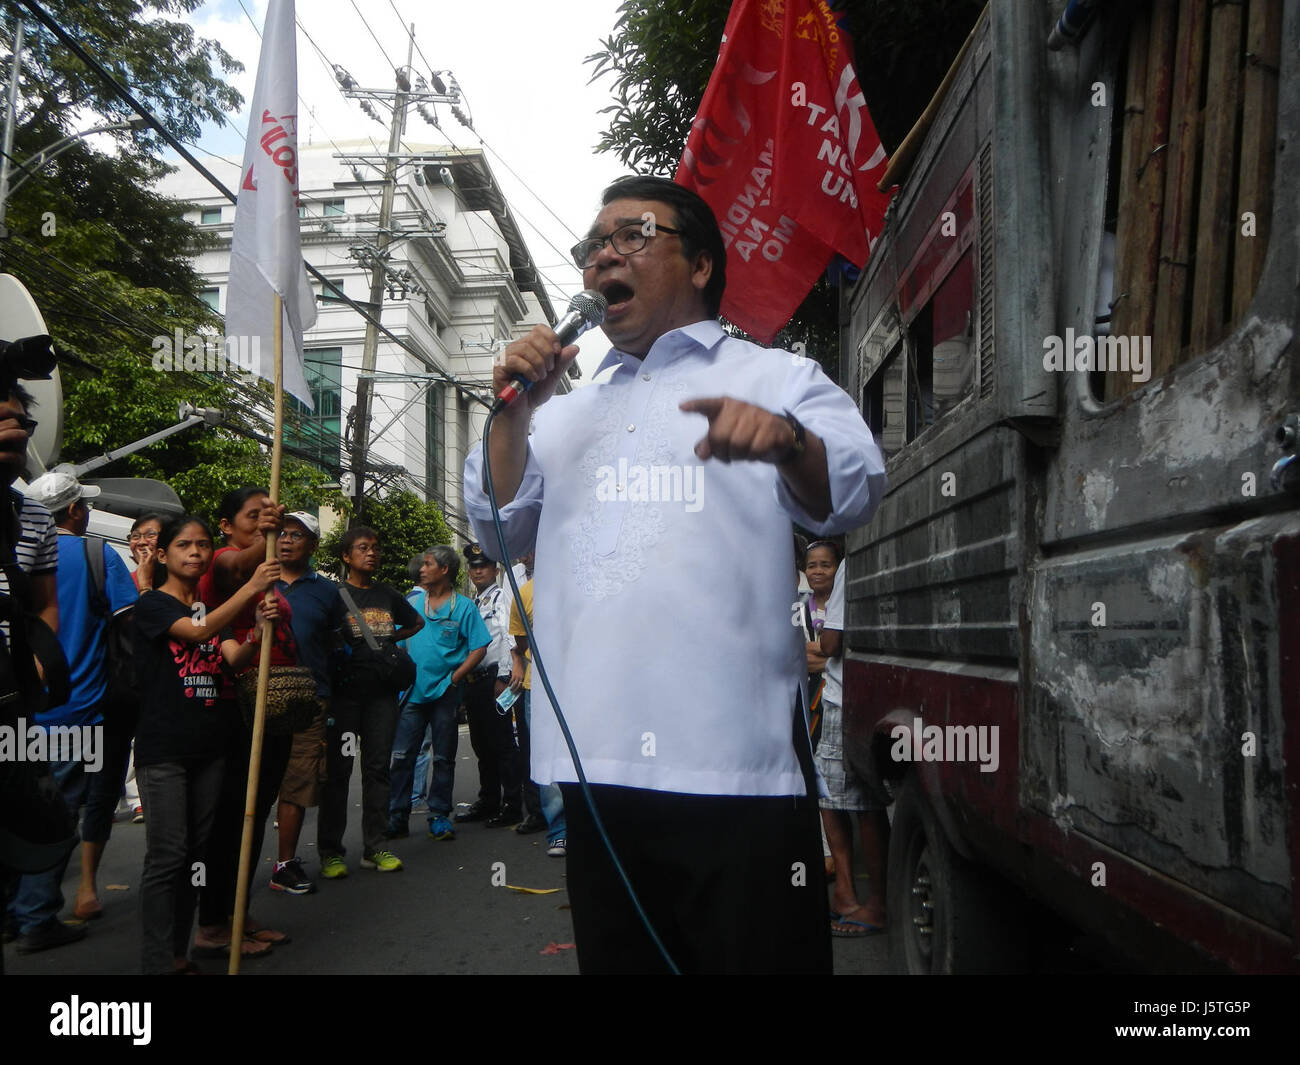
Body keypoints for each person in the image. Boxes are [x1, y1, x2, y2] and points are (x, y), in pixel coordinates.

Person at [463, 174, 886, 973]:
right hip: (596, 766)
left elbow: (855, 492)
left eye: (630, 236)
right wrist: (515, 414)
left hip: (737, 768)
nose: (600, 260)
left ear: (699, 265)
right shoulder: (559, 412)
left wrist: (790, 444)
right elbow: (495, 524)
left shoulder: (777, 378)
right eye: (592, 248)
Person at [133, 513, 279, 974]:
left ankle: (180, 953)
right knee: (168, 857)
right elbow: (196, 634)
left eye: (201, 545)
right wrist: (252, 586)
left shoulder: (206, 608)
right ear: (162, 555)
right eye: (184, 546)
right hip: (166, 749)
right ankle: (159, 961)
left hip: (211, 746)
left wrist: (256, 630)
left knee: (194, 853)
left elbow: (231, 659)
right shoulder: (154, 605)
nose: (195, 553)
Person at [7, 471, 134, 952]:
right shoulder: (98, 556)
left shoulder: (15, 559)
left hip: (17, 709)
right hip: (75, 707)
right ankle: (36, 916)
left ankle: (12, 913)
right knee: (57, 813)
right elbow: (132, 623)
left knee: (17, 808)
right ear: (76, 511)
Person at [192, 487, 289, 958]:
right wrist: (264, 539)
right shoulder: (226, 563)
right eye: (252, 517)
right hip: (232, 707)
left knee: (253, 817)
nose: (262, 524)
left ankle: (237, 914)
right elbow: (235, 567)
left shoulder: (270, 577)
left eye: (266, 516)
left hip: (271, 706)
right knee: (231, 819)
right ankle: (212, 922)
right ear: (226, 527)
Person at [319, 526, 423, 877]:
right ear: (347, 557)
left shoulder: (388, 594)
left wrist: (390, 639)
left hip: (382, 699)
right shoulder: (335, 596)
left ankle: (376, 847)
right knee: (339, 773)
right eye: (363, 548)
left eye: (376, 548)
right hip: (345, 699)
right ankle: (331, 852)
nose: (372, 553)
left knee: (378, 770)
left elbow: (417, 622)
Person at [387, 545, 490, 841]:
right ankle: (397, 816)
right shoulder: (413, 605)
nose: (421, 569)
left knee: (444, 757)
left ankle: (439, 815)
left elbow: (479, 646)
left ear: (444, 570)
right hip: (411, 694)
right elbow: (398, 638)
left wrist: (455, 677)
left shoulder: (464, 607)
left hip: (445, 694)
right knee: (403, 755)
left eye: (428, 564)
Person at [269, 512, 347, 895]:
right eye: (281, 533)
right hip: (255, 696)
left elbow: (335, 643)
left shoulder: (327, 593)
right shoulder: (256, 580)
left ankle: (284, 863)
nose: (285, 540)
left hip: (308, 698)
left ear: (312, 546)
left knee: (298, 781)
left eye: (296, 535)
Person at [818, 555, 889, 935]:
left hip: (844, 698)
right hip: (876, 696)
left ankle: (862, 900)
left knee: (842, 799)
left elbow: (830, 641)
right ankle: (854, 894)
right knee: (861, 802)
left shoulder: (854, 561)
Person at [455, 543, 522, 828]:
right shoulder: (475, 601)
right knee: (482, 744)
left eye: (483, 565)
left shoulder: (500, 598)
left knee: (502, 744)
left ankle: (512, 804)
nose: (478, 570)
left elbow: (509, 637)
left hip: (495, 679)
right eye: (473, 566)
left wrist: (504, 677)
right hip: (475, 682)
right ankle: (489, 799)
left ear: (496, 570)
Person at [507, 575, 565, 856]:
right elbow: (522, 641)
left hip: (579, 683)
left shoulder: (576, 580)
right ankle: (560, 831)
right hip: (536, 687)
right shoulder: (524, 593)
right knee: (546, 753)